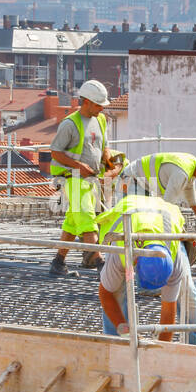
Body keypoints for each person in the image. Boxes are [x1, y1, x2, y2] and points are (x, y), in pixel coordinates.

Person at [94, 196, 196, 344]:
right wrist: (126, 333)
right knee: (115, 292)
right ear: (136, 262)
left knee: (188, 293)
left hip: (163, 218)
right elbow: (105, 294)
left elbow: (168, 311)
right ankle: (117, 344)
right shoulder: (120, 250)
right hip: (127, 216)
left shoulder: (174, 262)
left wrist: (160, 349)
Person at [49, 80, 123, 276]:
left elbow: (103, 146)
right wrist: (79, 166)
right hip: (71, 177)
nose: (101, 108)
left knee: (73, 221)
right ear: (87, 102)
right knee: (88, 217)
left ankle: (58, 262)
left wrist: (109, 163)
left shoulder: (100, 120)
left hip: (90, 179)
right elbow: (56, 152)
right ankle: (99, 262)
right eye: (99, 104)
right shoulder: (70, 124)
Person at [118, 150, 196, 224]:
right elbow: (167, 205)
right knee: (132, 224)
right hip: (131, 180)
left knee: (143, 223)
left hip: (143, 184)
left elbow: (189, 189)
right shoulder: (181, 174)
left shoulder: (191, 164)